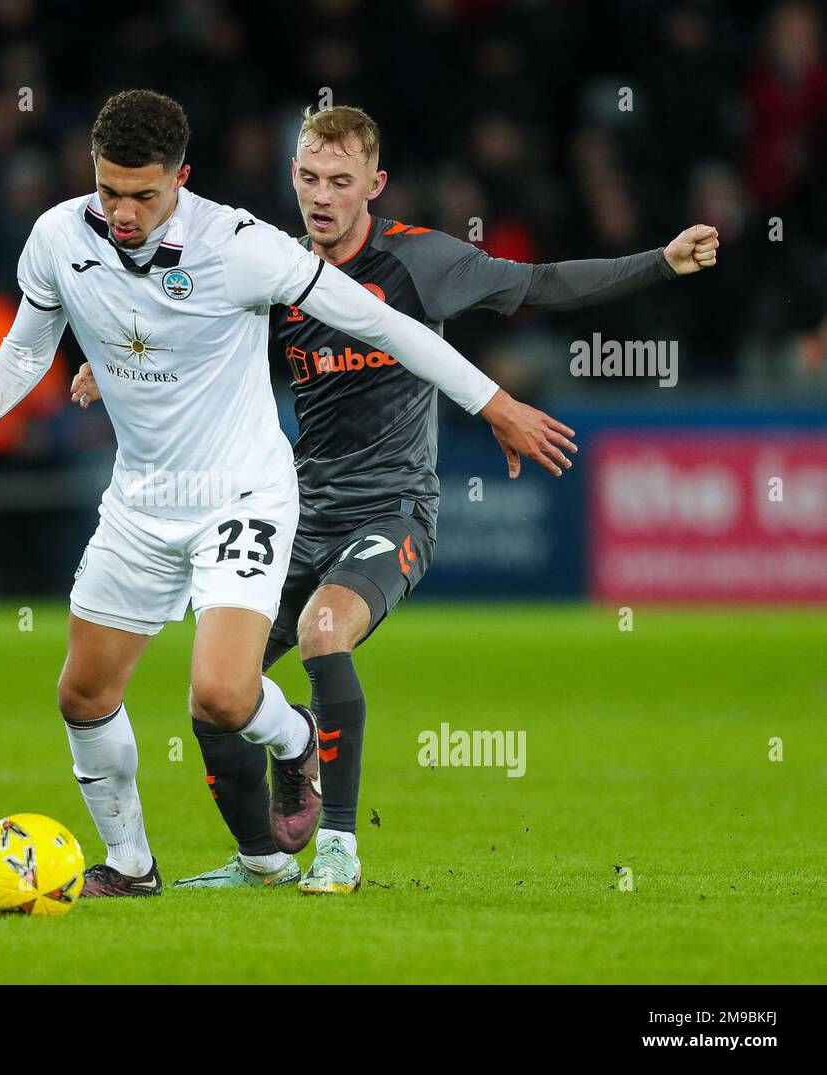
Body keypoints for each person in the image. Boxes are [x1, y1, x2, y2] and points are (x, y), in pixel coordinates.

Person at [0, 90, 575, 897]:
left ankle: (297, 737)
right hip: (139, 500)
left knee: (223, 694)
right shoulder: (58, 238)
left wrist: (497, 404)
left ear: (182, 178)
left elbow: (384, 325)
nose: (123, 212)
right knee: (82, 691)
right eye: (109, 191)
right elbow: (23, 356)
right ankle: (131, 865)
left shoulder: (240, 244)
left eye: (143, 194)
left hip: (241, 493)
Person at [74, 104, 718, 894]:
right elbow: (186, 328)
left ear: (373, 185)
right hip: (291, 510)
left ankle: (339, 847)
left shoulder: (422, 264)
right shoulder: (271, 266)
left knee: (322, 631)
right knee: (217, 699)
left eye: (341, 181)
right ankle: (261, 863)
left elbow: (541, 283)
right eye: (309, 177)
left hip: (392, 510)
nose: (322, 195)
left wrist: (660, 260)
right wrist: (113, 366)